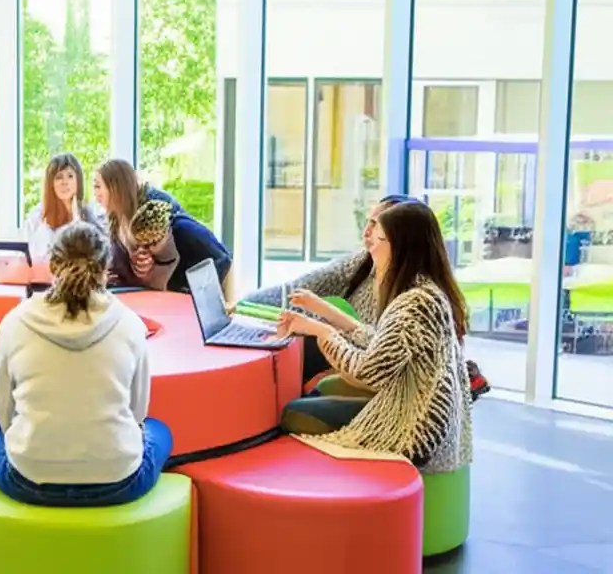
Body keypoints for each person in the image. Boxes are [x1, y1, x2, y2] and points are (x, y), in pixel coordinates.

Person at [0, 221, 173, 506]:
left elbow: (4, 410)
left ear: (53, 265)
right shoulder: (131, 324)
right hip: (118, 482)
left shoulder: (14, 322)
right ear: (105, 269)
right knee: (160, 431)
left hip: (29, 480)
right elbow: (138, 412)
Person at [277, 202, 473, 472]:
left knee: (293, 414)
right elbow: (382, 343)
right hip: (411, 410)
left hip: (410, 429)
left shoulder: (415, 303)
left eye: (380, 239)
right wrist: (321, 315)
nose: (371, 244)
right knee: (317, 395)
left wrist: (322, 331)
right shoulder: (424, 292)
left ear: (402, 247)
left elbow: (369, 371)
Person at [240, 194, 491, 397]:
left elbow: (376, 366)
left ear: (399, 240)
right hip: (348, 360)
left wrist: (324, 337)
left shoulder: (415, 300)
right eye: (370, 223)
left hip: (365, 380)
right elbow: (302, 288)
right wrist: (243, 307)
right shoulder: (367, 264)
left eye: (377, 229)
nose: (368, 234)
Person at [93, 158, 230, 292]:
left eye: (98, 186)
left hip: (186, 289)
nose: (96, 194)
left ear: (116, 187)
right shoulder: (114, 223)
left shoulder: (171, 222)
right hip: (158, 294)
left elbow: (222, 258)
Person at [23, 153, 103, 262]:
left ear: (78, 181)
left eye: (70, 176)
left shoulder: (88, 213)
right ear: (51, 183)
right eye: (59, 177)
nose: (64, 182)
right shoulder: (38, 216)